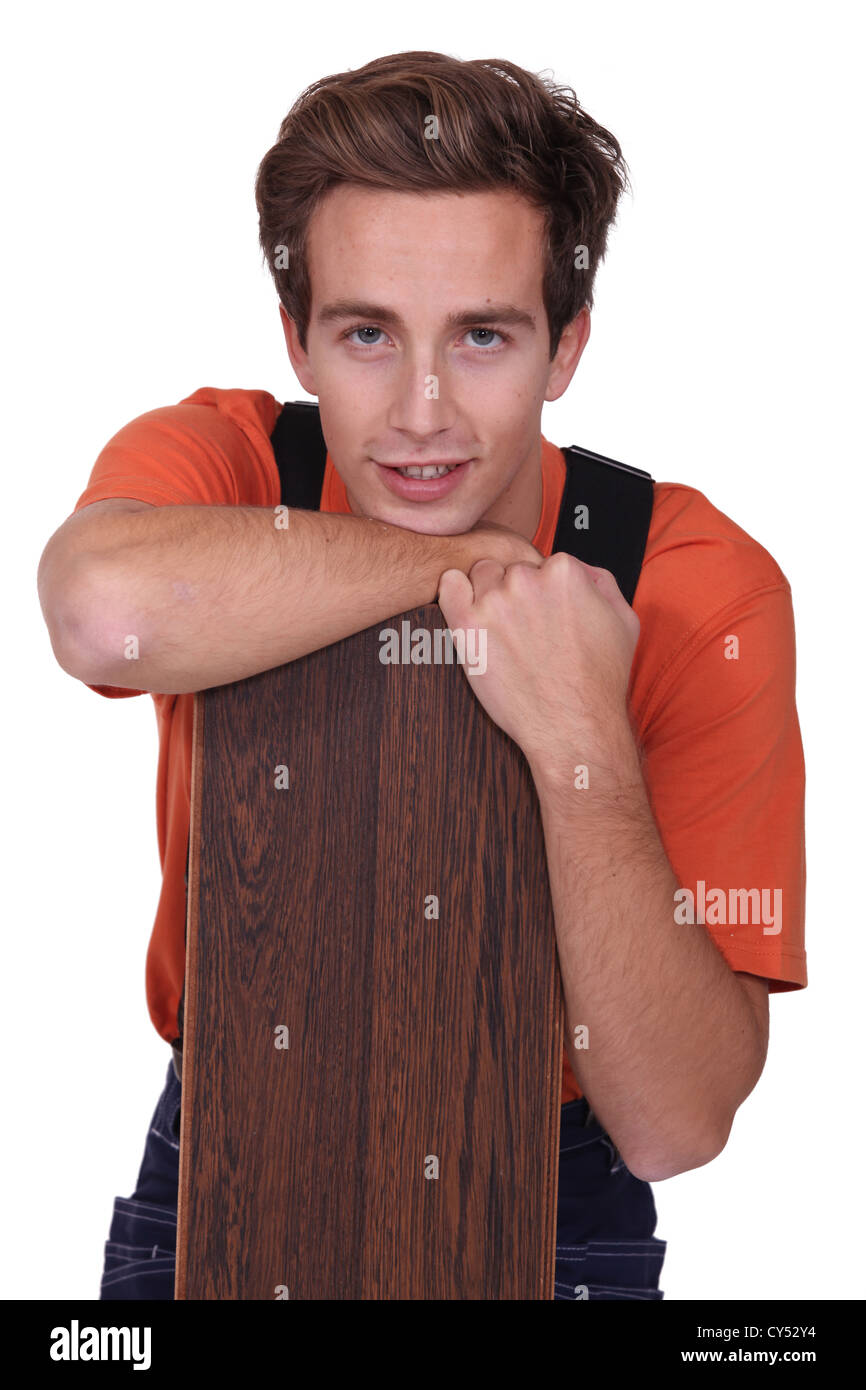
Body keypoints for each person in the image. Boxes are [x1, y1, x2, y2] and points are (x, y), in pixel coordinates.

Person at [37, 50, 806, 1301]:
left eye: (485, 336)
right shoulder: (226, 466)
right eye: (366, 335)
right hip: (218, 1157)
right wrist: (491, 563)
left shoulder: (698, 582)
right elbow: (97, 612)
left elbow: (674, 1124)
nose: (422, 413)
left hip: (555, 1202)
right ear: (296, 337)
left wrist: (581, 743)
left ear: (567, 347)